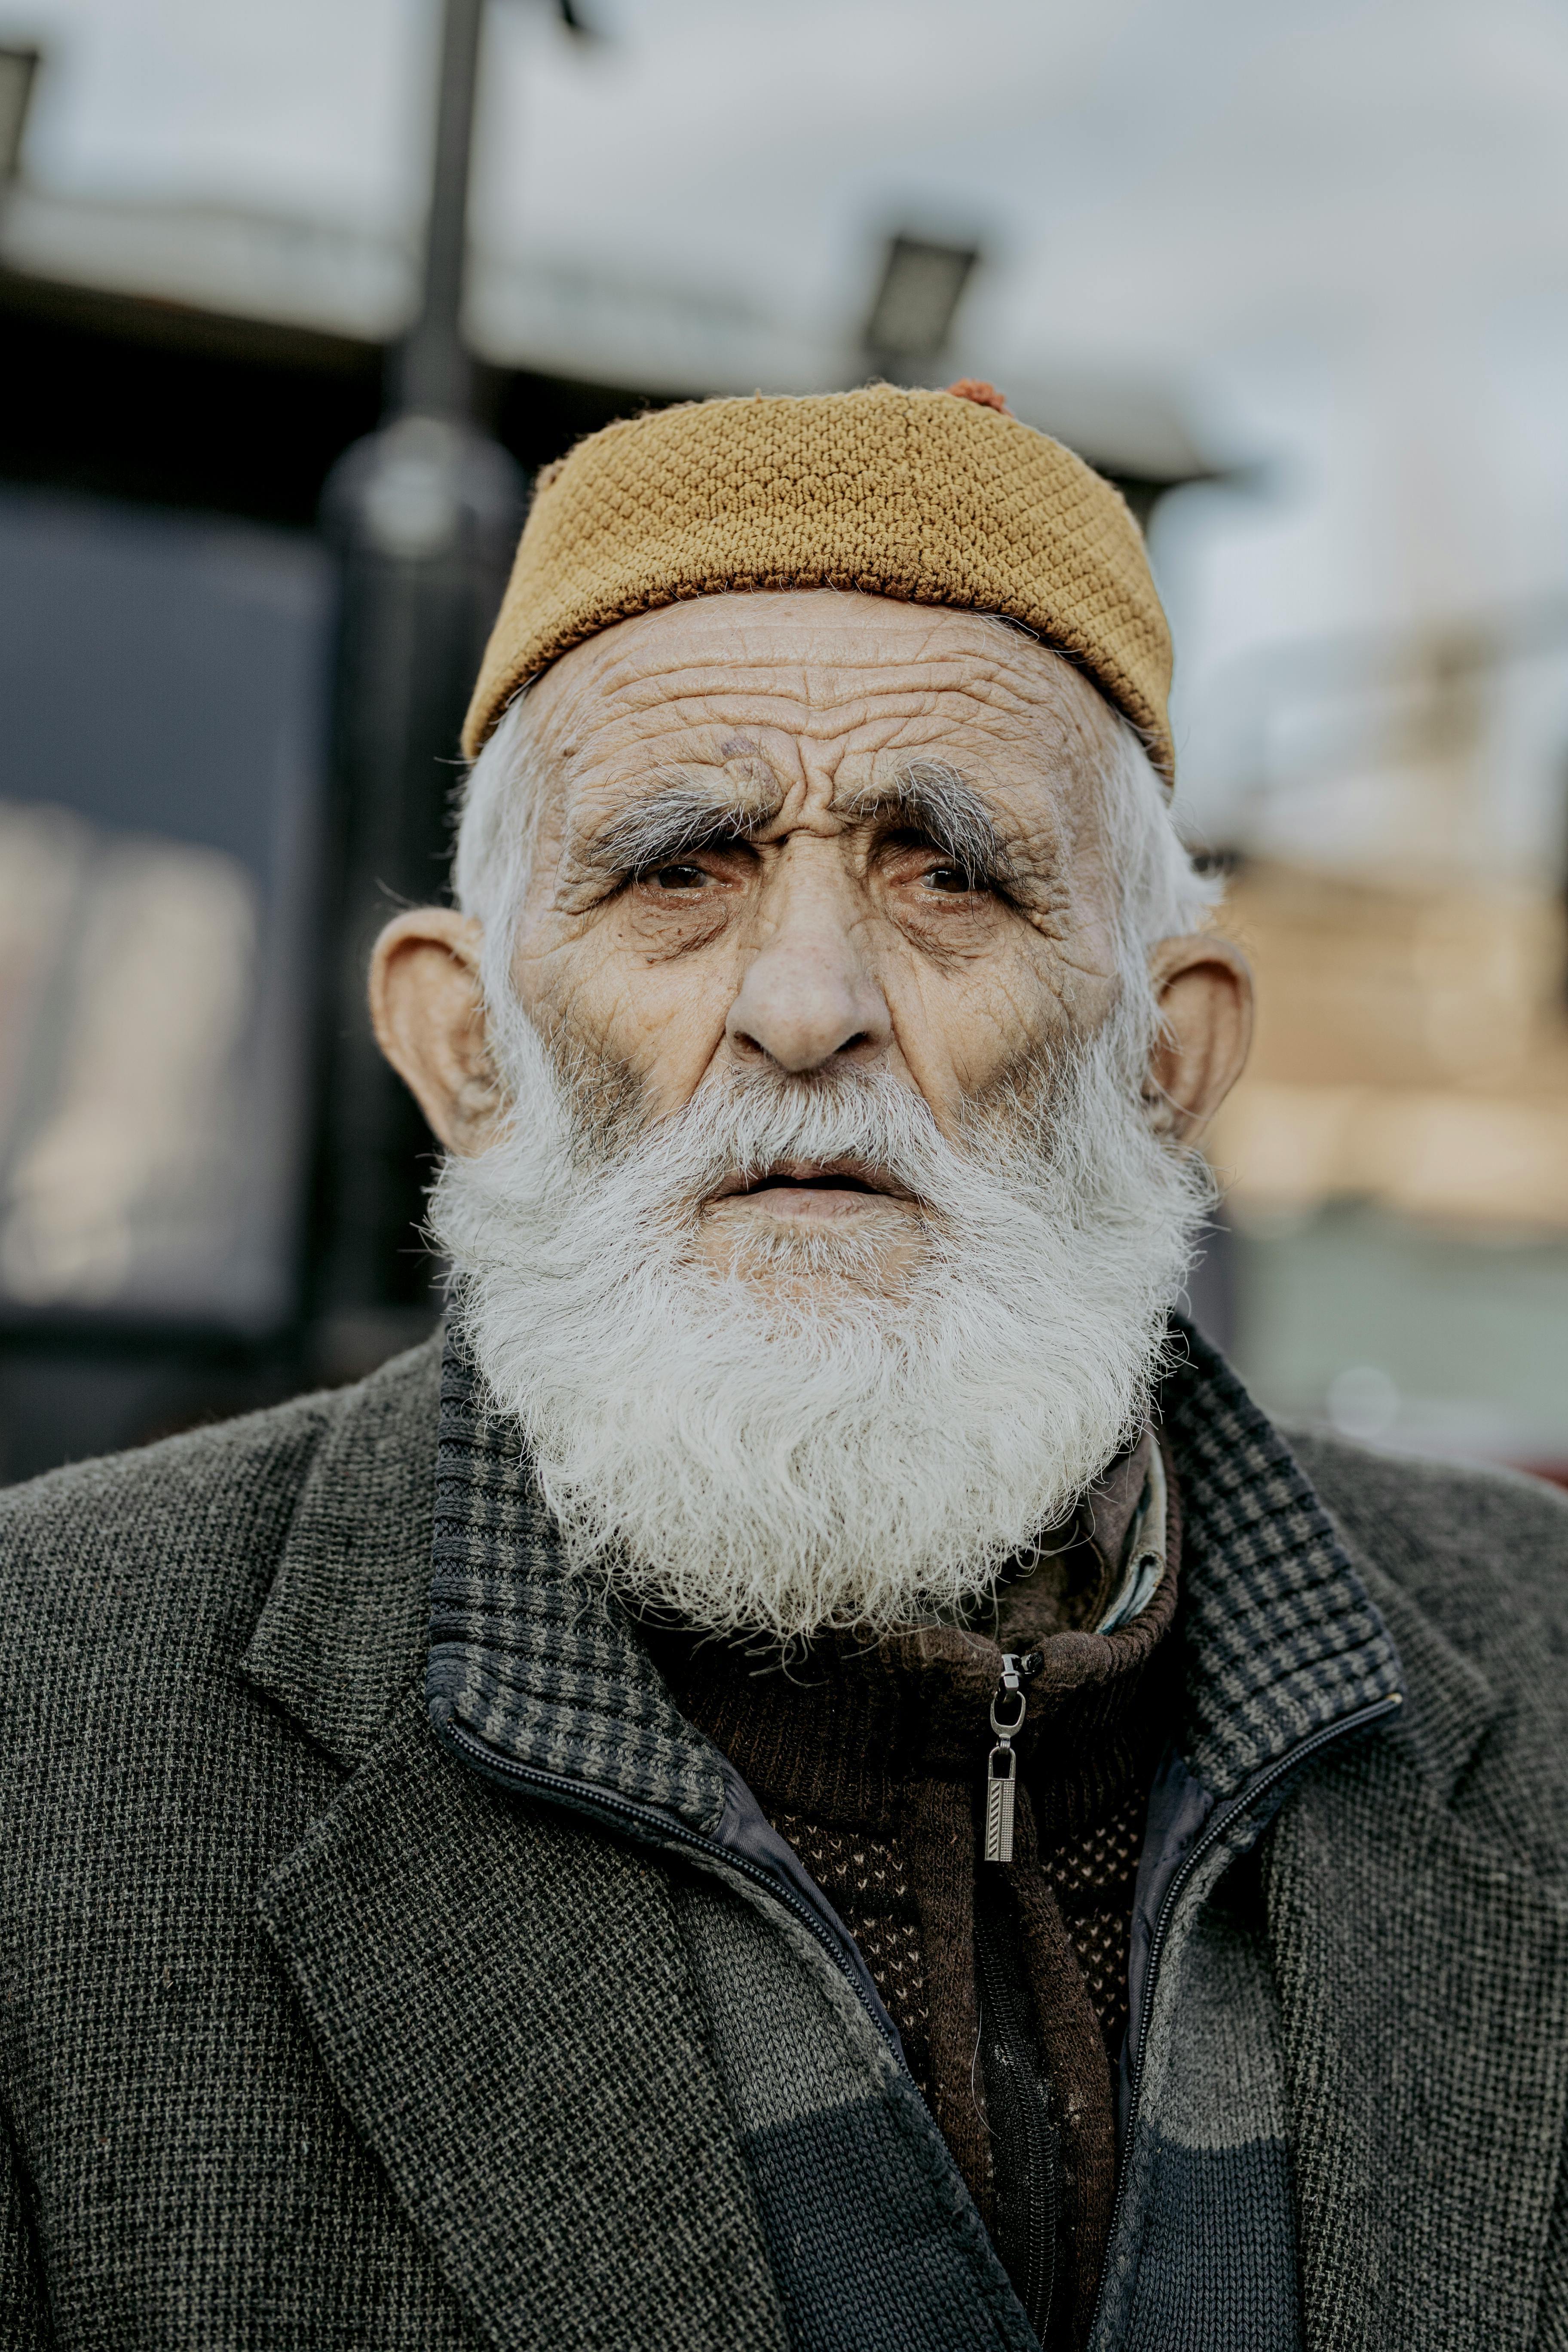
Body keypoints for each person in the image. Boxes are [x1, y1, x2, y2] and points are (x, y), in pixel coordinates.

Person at [3, 384, 1566, 2352]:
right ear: (465, 1049)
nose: (808, 1004)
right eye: (681, 872)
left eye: (951, 876)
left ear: (1170, 1057)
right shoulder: (38, 1726)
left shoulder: (1548, 1660)